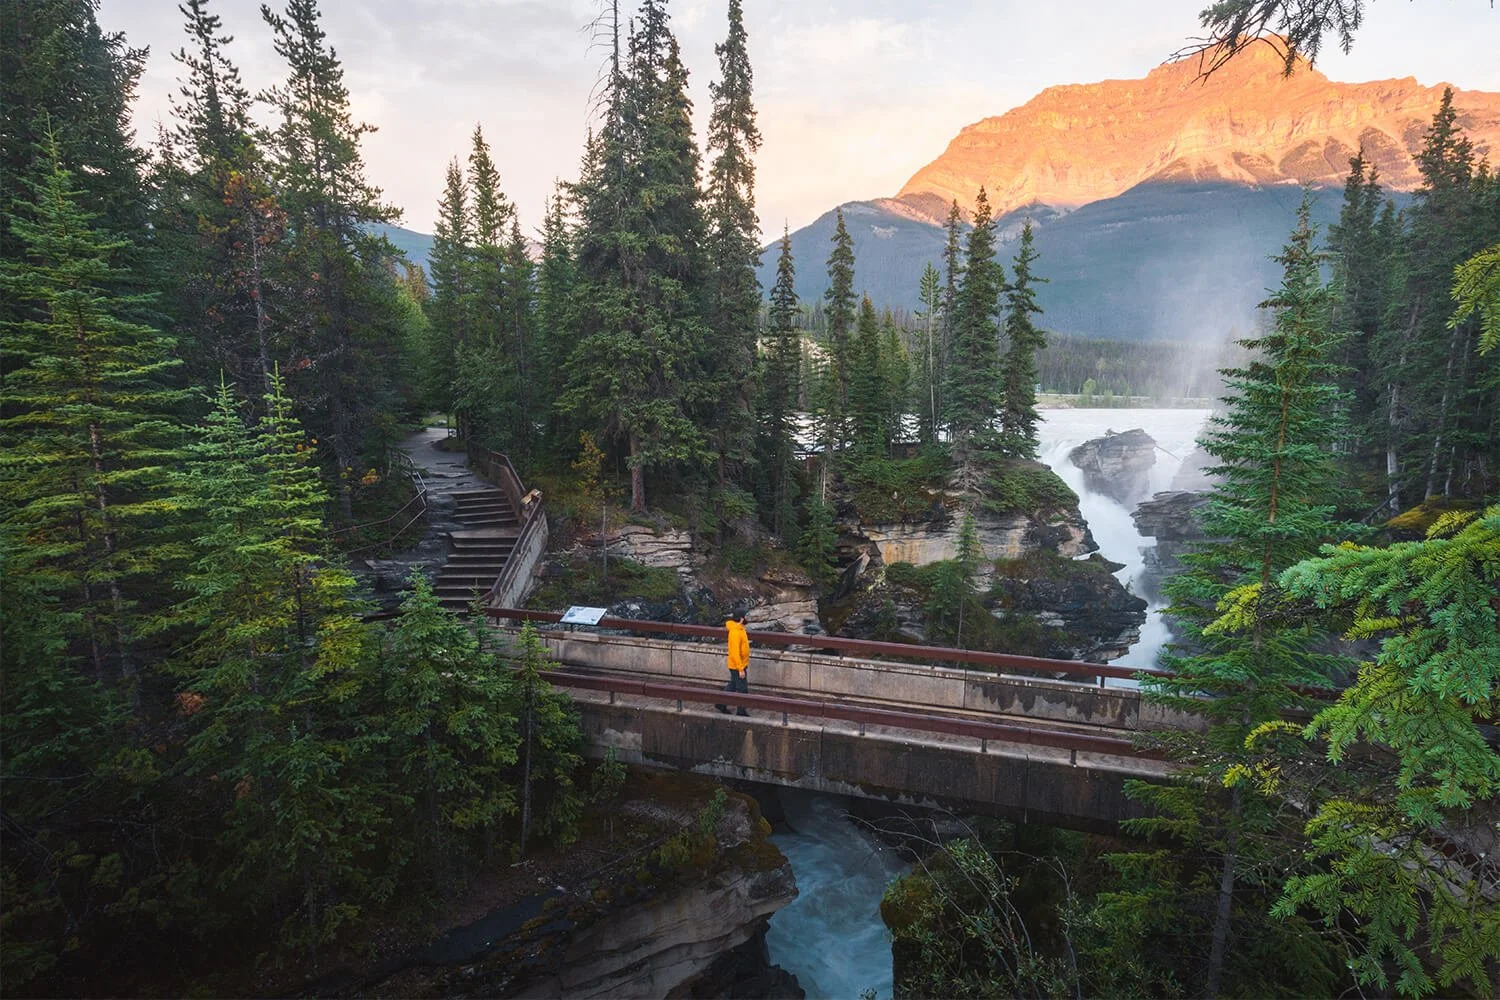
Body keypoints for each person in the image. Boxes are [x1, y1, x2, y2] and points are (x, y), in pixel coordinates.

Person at [715, 608, 750, 717]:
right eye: (746, 616)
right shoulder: (735, 632)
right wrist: (740, 669)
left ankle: (721, 704)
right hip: (737, 666)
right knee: (742, 689)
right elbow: (735, 653)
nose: (747, 618)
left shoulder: (740, 628)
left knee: (733, 685)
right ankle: (741, 711)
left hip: (739, 664)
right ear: (741, 619)